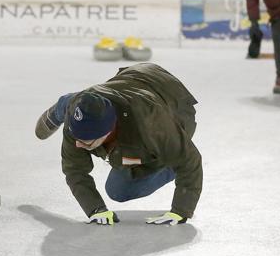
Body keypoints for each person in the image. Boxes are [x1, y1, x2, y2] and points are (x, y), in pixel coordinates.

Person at [34, 63, 202, 226]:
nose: (78, 144)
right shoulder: (75, 120)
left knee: (119, 190)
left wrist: (181, 211)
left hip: (171, 98)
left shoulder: (152, 124)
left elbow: (190, 160)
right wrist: (95, 209)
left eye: (87, 142)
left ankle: (169, 166)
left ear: (107, 132)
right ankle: (63, 104)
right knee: (79, 102)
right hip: (125, 81)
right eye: (77, 137)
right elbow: (74, 170)